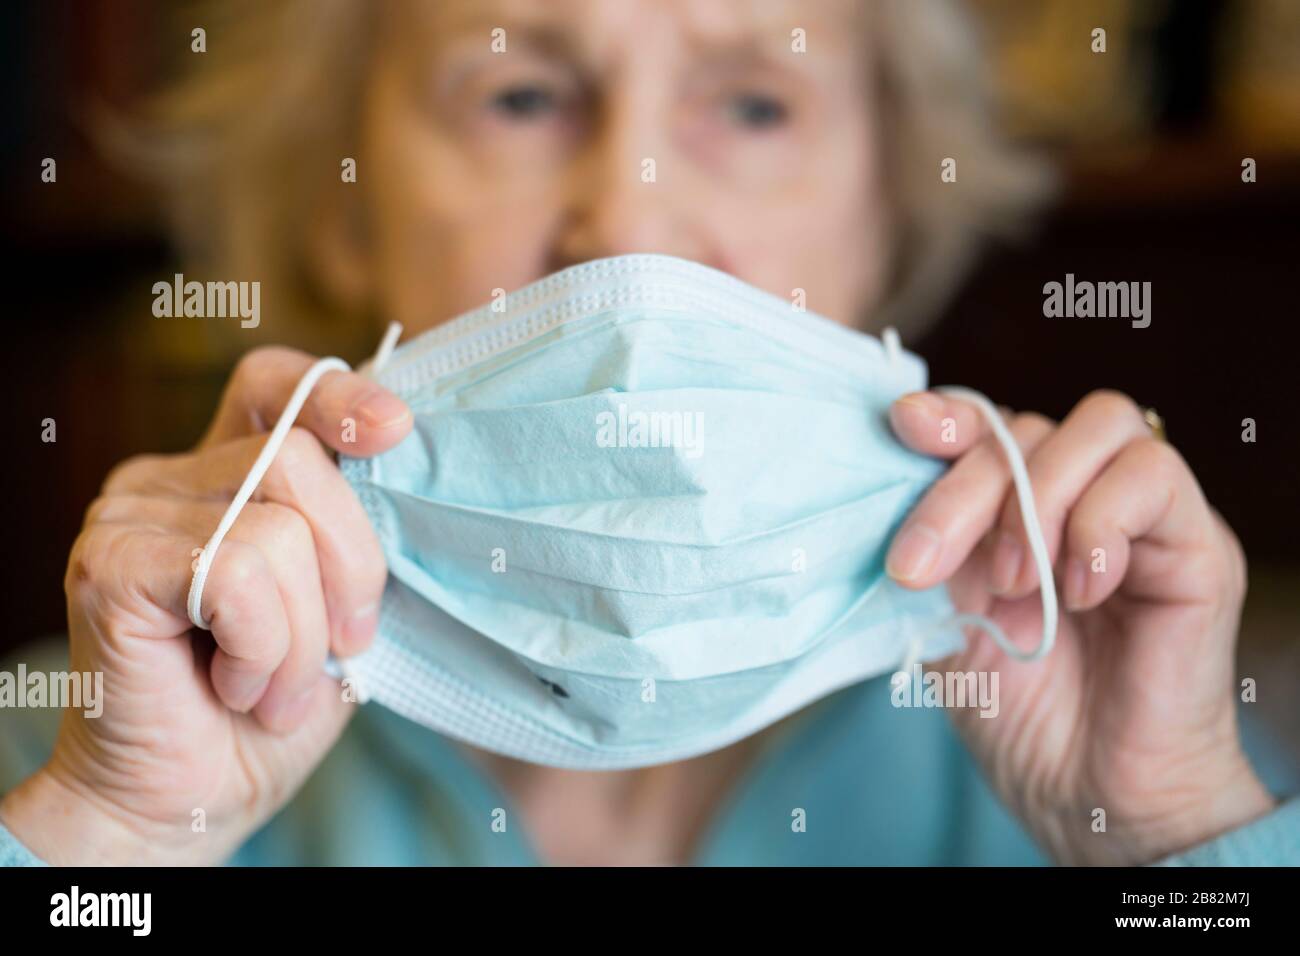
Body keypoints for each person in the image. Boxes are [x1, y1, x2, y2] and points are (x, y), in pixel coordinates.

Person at [1, 0, 1296, 867]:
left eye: (751, 106)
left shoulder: (1111, 732)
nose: (629, 220)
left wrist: (1168, 829)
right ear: (341, 201)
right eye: (518, 97)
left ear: (890, 207)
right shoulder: (70, 737)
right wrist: (111, 836)